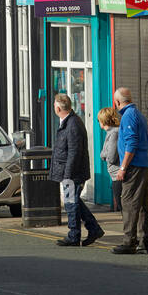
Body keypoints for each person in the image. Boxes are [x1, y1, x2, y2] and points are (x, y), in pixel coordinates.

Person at [49, 94, 104, 247]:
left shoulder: (72, 124)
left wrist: (67, 175)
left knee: (70, 203)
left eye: (54, 105)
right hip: (70, 171)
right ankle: (94, 229)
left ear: (58, 108)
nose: (54, 107)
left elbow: (74, 151)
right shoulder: (68, 122)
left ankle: (74, 235)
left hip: (73, 173)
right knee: (75, 202)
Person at [111, 87, 148, 255]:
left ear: (118, 102)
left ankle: (129, 241)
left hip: (134, 166)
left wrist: (123, 167)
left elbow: (131, 144)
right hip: (144, 164)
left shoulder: (128, 116)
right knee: (143, 204)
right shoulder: (137, 114)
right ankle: (146, 242)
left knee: (128, 202)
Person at [98, 107, 122, 212]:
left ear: (103, 121)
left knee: (122, 205)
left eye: (99, 120)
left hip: (118, 175)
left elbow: (111, 157)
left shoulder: (114, 133)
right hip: (115, 175)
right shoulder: (111, 133)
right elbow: (104, 153)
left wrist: (104, 155)